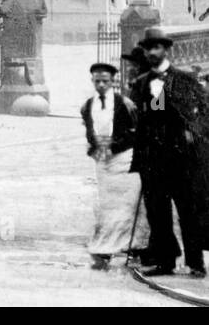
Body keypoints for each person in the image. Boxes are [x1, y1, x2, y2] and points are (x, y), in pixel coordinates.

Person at [129, 28, 207, 278]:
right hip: (152, 160)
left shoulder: (184, 80)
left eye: (156, 48)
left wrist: (192, 132)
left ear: (166, 49)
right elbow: (140, 122)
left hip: (180, 158)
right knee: (157, 212)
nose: (152, 52)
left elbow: (204, 112)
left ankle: (196, 262)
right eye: (148, 48)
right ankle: (165, 262)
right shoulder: (141, 84)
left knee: (188, 211)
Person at [80, 62, 146, 270]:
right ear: (92, 81)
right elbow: (89, 130)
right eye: (97, 81)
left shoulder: (124, 103)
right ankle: (105, 250)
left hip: (124, 159)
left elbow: (135, 132)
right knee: (107, 206)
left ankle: (134, 247)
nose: (101, 85)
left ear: (112, 82)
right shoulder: (88, 105)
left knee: (128, 205)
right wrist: (94, 146)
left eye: (105, 81)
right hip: (103, 162)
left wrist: (114, 146)